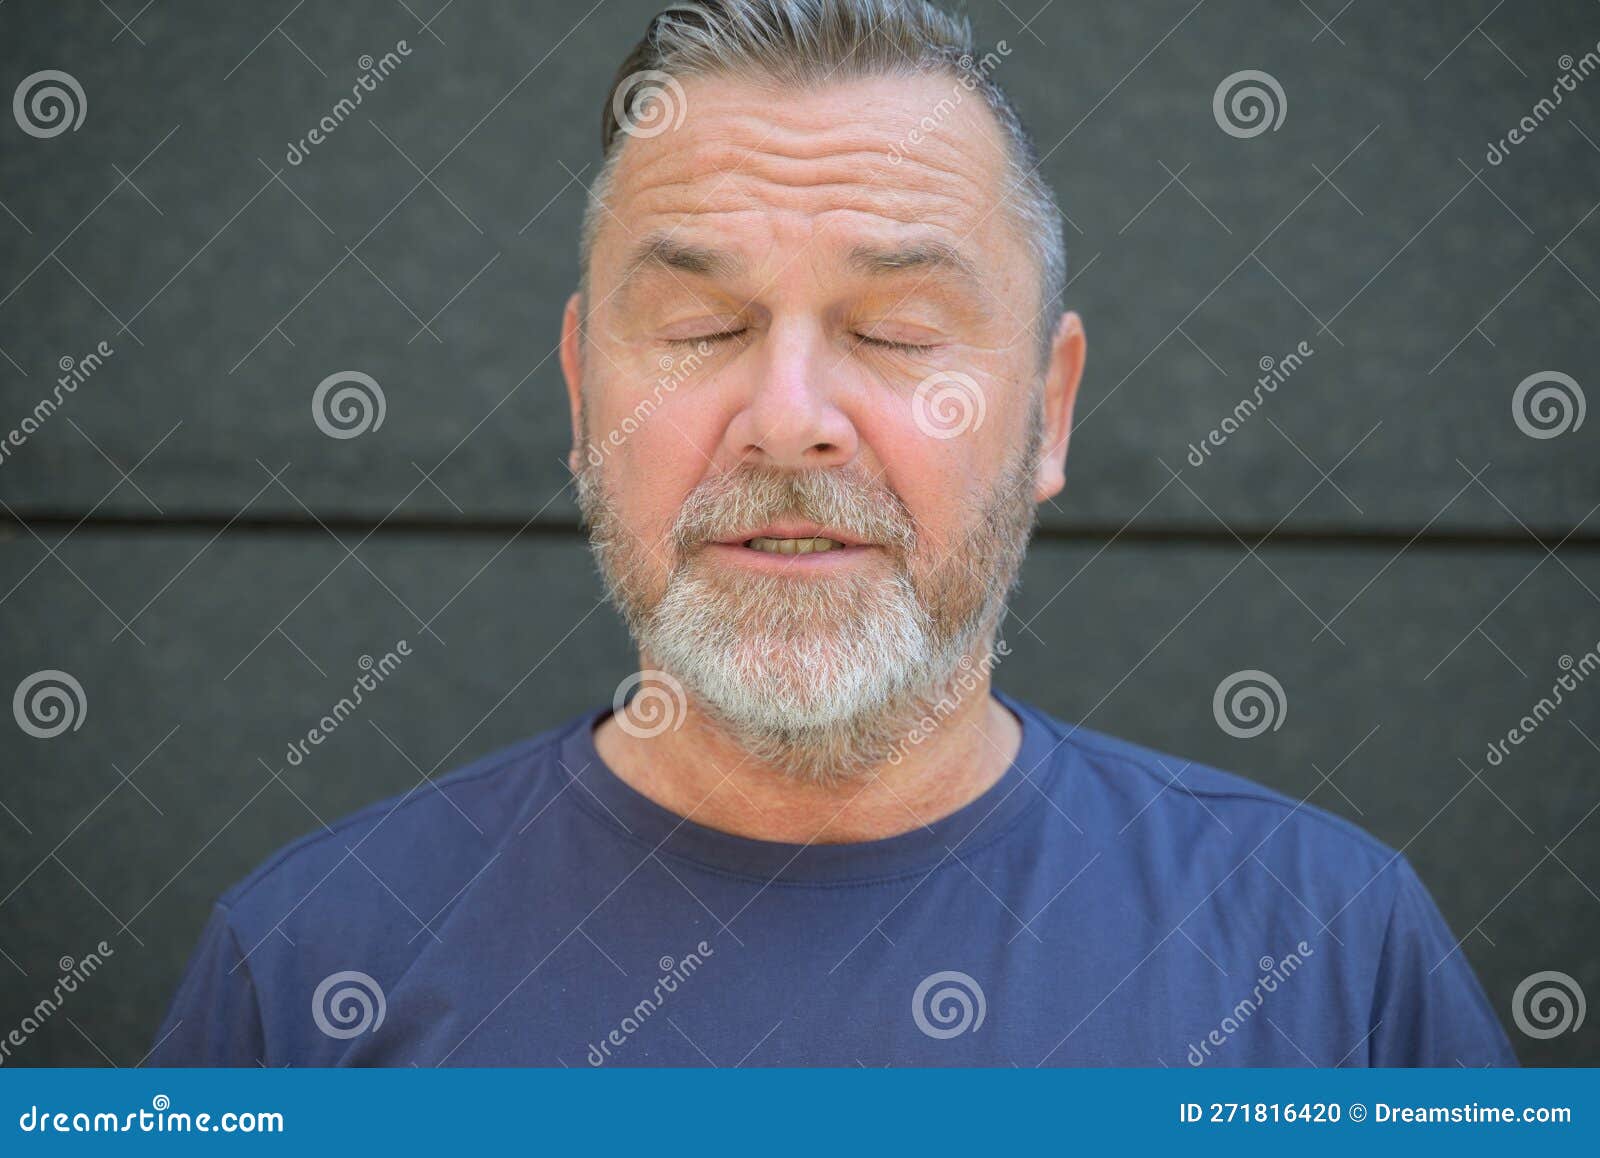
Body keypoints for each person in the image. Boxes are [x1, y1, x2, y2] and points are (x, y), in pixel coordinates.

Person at [151, 0, 1515, 1067]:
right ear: (581, 398)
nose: (789, 420)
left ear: (1048, 410)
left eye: (899, 332)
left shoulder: (1330, 954)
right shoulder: (308, 966)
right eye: (702, 329)